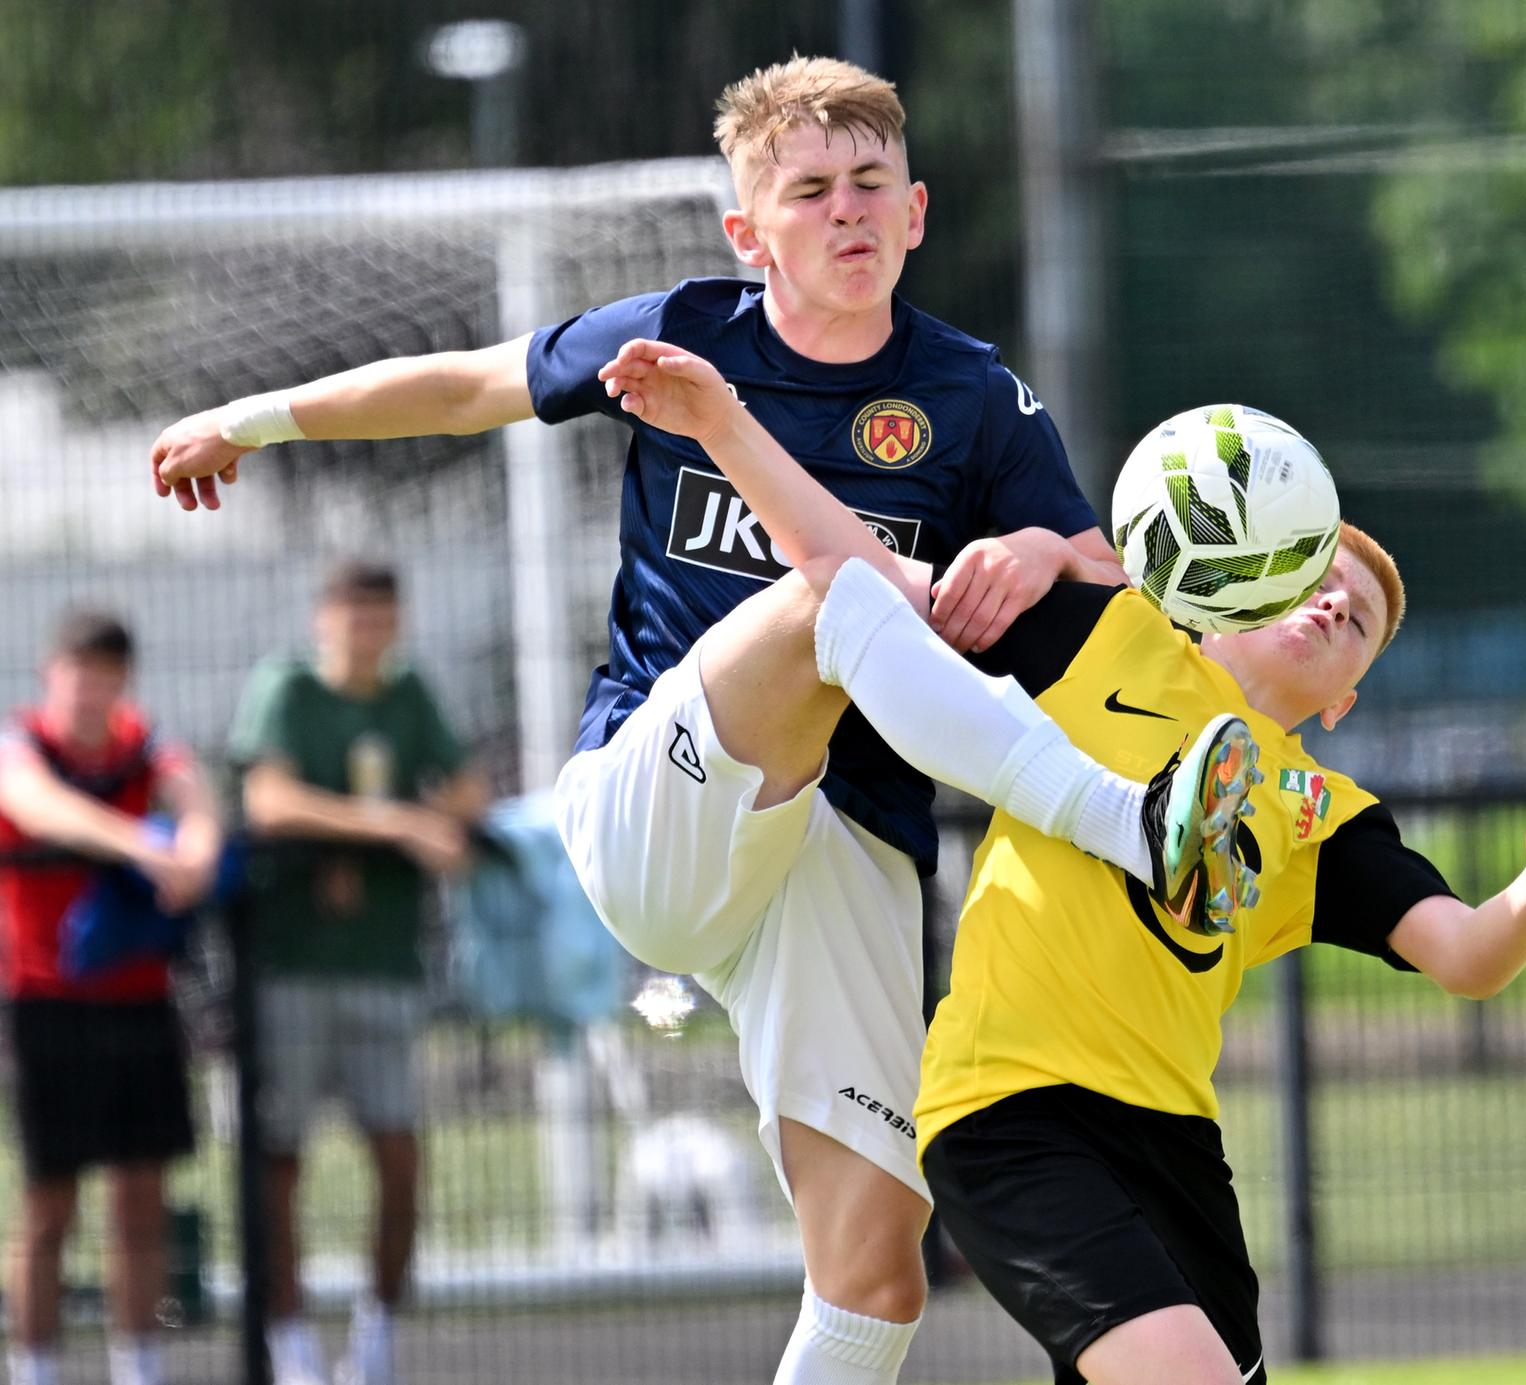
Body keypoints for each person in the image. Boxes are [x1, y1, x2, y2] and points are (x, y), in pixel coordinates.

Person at [151, 55, 1145, 1385]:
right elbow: (465, 387)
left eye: (872, 184)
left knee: (876, 1269)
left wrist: (1038, 551)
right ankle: (1115, 820)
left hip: (842, 844)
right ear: (750, 232)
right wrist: (251, 418)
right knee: (823, 600)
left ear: (916, 211)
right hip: (654, 805)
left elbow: (1110, 582)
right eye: (810, 191)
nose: (847, 211)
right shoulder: (685, 333)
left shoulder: (972, 396)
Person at [594, 339, 1526, 1385]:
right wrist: (722, 426)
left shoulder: (1322, 814)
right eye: (1318, 574)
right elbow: (859, 577)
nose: (1339, 602)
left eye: (1363, 622)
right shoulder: (1100, 637)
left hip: (1174, 1150)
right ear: (1232, 581)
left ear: (1342, 703)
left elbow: (1466, 955)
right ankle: (1131, 815)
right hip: (1012, 1108)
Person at [226, 562, 486, 1385]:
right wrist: (391, 826)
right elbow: (268, 800)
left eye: (381, 618)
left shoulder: (412, 693)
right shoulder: (285, 687)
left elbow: (472, 793)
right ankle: (289, 1341)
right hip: (289, 965)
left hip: (387, 963)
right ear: (322, 618)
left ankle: (374, 1339)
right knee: (277, 1158)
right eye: (352, 616)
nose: (366, 633)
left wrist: (408, 827)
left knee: (402, 1156)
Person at [0, 612, 224, 1385]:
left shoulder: (145, 742)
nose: (91, 689)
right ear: (48, 674)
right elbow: (34, 806)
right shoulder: (19, 744)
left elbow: (198, 802)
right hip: (46, 1001)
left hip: (139, 1002)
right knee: (48, 1204)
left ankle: (140, 1368)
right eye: (78, 671)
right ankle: (34, 1368)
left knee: (140, 1200)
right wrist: (144, 844)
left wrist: (196, 845)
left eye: (107, 673)